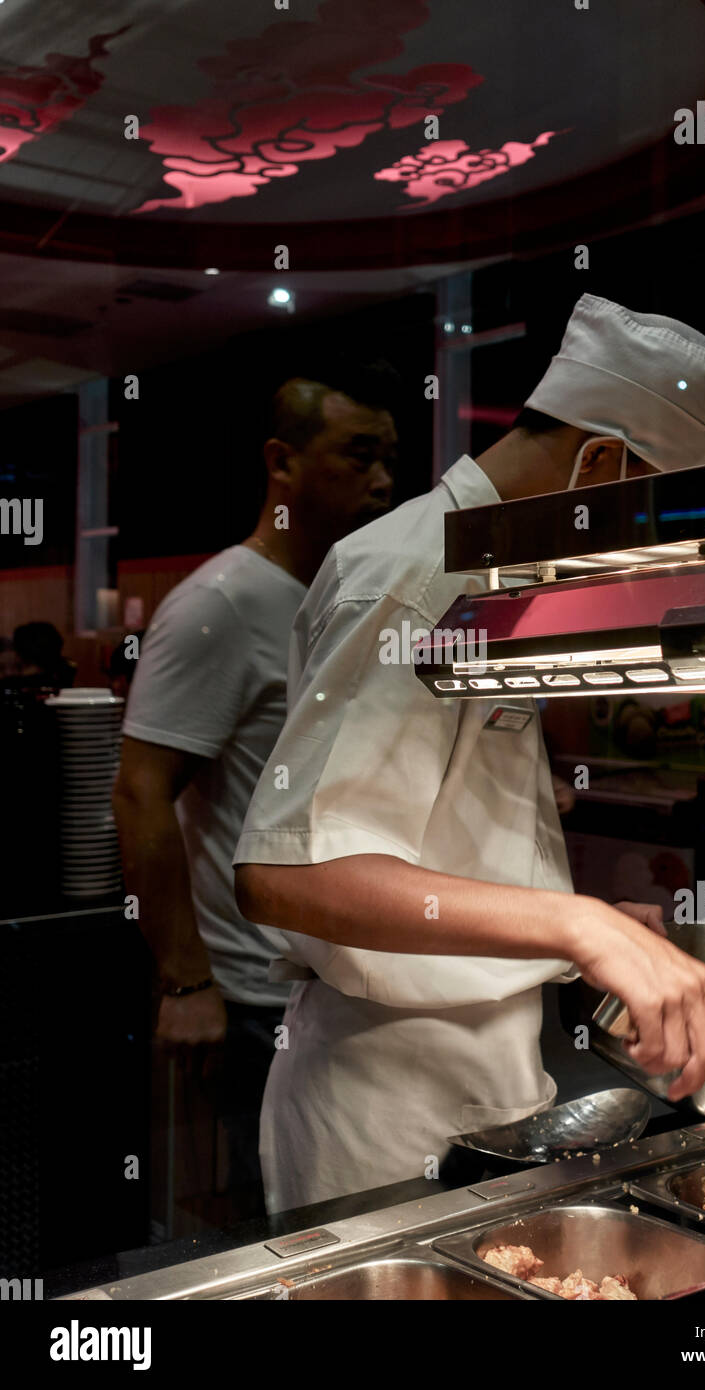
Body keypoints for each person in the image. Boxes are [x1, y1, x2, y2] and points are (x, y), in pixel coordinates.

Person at [234, 294, 705, 1212]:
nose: (649, 558)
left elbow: (431, 834)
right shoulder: (416, 574)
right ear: (598, 463)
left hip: (486, 1076)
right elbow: (286, 872)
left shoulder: (493, 577)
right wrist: (579, 925)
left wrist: (583, 920)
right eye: (650, 519)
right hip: (387, 1104)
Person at [112, 360, 397, 1215]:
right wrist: (186, 981)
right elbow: (139, 790)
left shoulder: (332, 597)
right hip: (247, 994)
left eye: (389, 456)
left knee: (322, 1211)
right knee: (251, 1218)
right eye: (358, 455)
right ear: (282, 462)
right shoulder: (223, 603)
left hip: (329, 977)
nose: (383, 479)